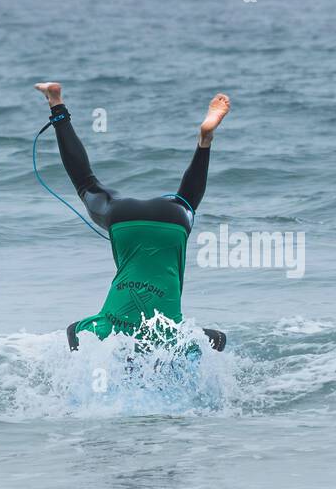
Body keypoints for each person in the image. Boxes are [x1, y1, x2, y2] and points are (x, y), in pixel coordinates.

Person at [34, 82, 230, 352]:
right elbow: (74, 332)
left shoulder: (173, 333)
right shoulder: (110, 328)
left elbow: (216, 339)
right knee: (87, 185)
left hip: (170, 220)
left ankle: (205, 142)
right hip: (127, 220)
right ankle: (56, 103)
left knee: (187, 201)